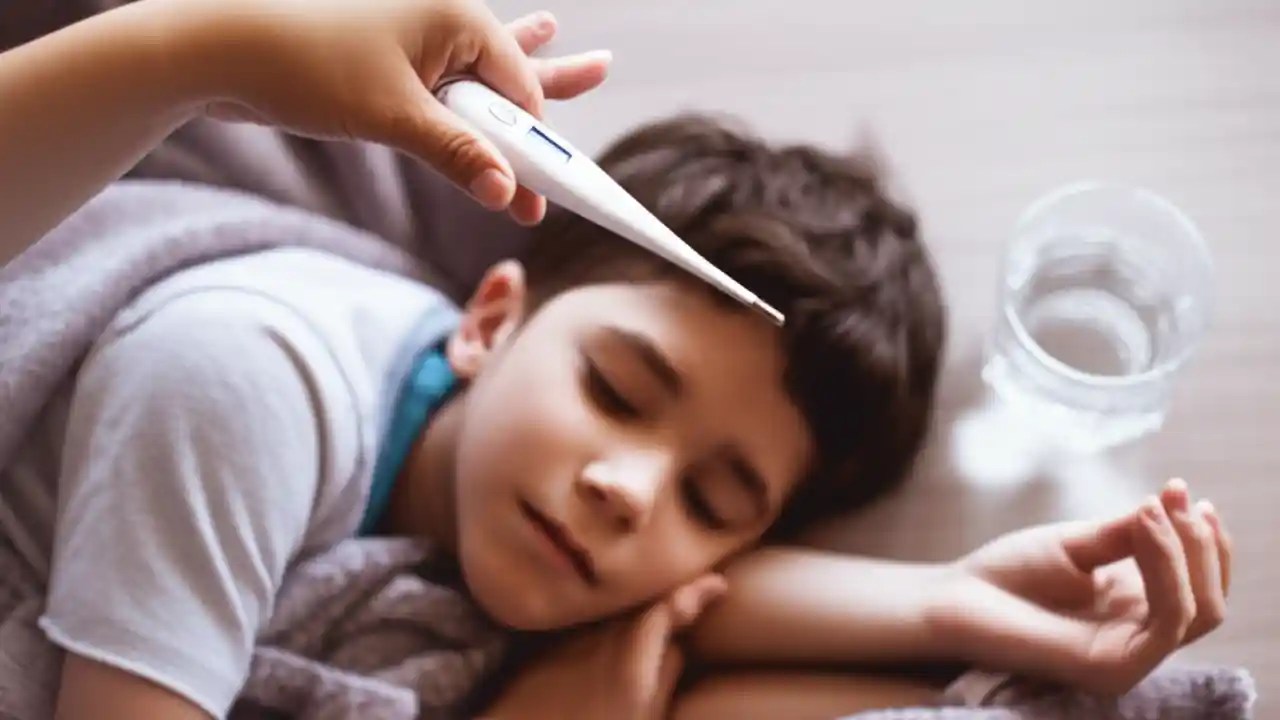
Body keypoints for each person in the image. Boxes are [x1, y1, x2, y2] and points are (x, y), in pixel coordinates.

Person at [0, 1, 1233, 719]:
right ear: (488, 319)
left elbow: (687, 593)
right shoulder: (239, 386)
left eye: (712, 499)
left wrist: (952, 603)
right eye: (615, 391)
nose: (628, 489)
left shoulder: (494, 472)